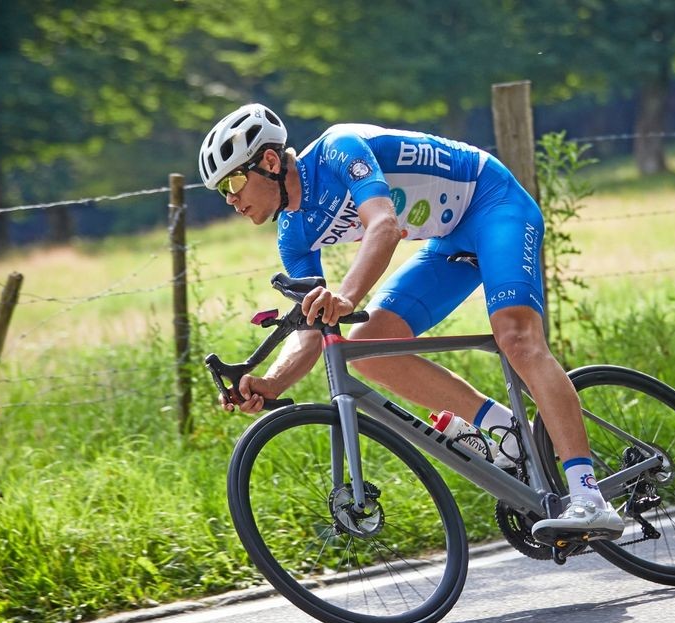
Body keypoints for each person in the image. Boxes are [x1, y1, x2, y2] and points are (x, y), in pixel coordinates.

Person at [198, 103, 624, 542]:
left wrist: (346, 296)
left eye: (232, 181)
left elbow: (384, 226)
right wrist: (271, 383)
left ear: (269, 162)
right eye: (220, 190)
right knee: (369, 349)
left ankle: (590, 498)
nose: (229, 198)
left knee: (516, 337)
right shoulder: (293, 232)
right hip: (447, 240)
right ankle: (505, 430)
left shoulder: (338, 149)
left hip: (492, 202)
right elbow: (314, 329)